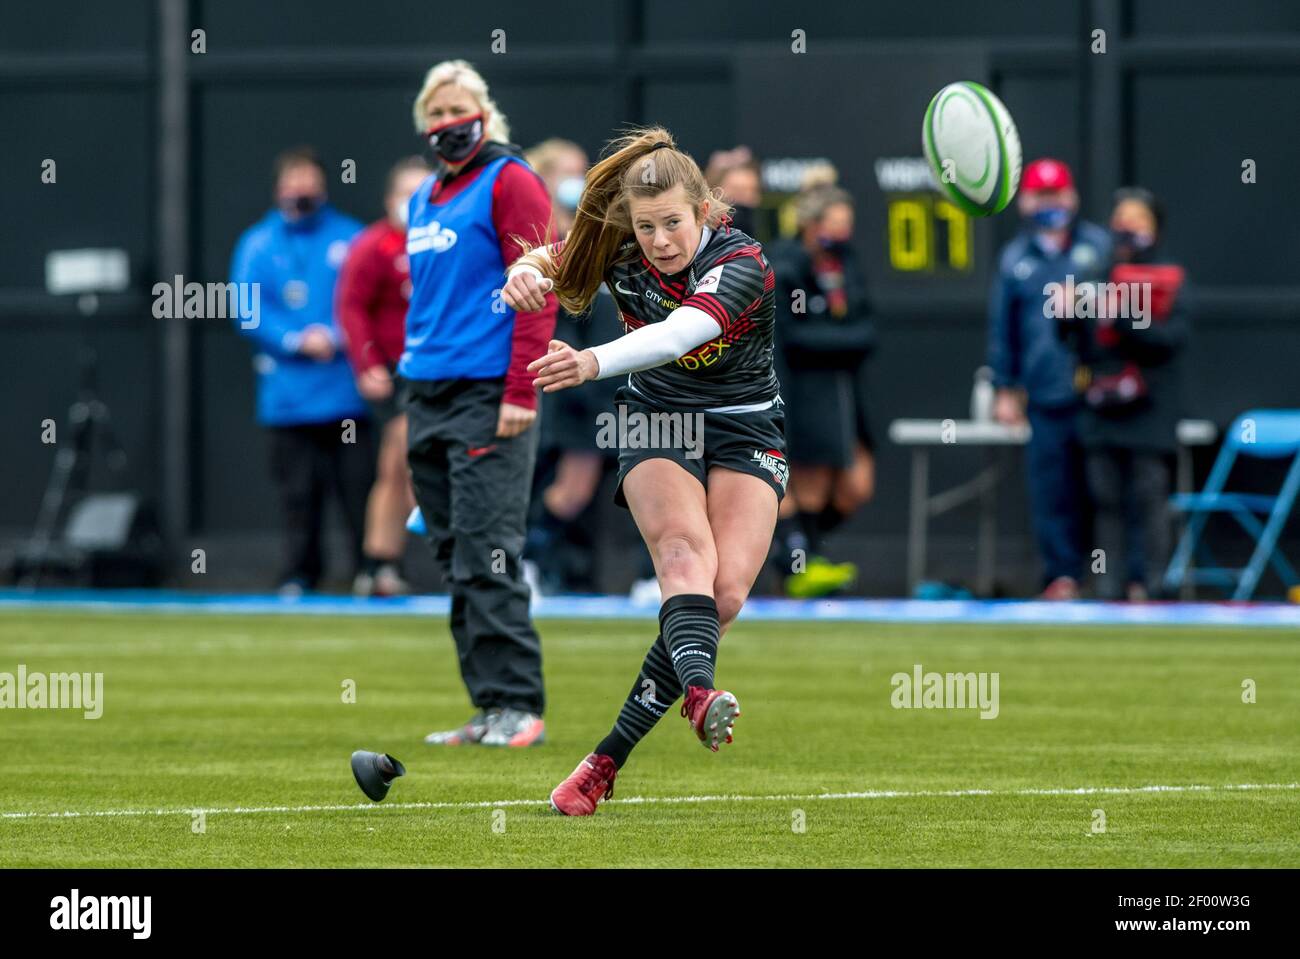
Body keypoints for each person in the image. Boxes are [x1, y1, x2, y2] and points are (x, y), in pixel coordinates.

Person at [503, 126, 785, 816]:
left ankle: (604, 759)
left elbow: (679, 333)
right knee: (683, 557)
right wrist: (526, 273)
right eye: (646, 225)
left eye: (672, 223)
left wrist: (592, 360)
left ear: (705, 211)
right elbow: (549, 259)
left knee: (722, 599)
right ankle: (698, 693)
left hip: (747, 421)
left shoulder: (743, 261)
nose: (660, 239)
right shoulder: (621, 245)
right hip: (657, 417)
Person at [402, 60, 556, 748]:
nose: (446, 122)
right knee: (453, 555)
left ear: (485, 113)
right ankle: (488, 704)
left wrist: (522, 387)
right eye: (434, 113)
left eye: (457, 108)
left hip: (490, 390)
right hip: (426, 391)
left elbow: (539, 281)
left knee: (489, 552)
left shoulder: (510, 178)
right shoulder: (425, 196)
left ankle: (519, 704)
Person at [230, 146, 371, 596]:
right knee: (298, 495)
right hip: (288, 399)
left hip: (347, 393)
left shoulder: (351, 238)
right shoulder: (257, 243)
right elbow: (249, 310)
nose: (301, 190)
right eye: (293, 181)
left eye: (309, 181)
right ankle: (299, 574)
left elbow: (367, 299)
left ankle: (368, 571)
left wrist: (338, 335)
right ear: (278, 188)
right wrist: (295, 340)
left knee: (358, 491)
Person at [987, 158, 1111, 600]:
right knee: (1051, 486)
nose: (1050, 203)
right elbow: (1004, 330)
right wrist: (1005, 388)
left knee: (1102, 485)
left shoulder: (1099, 247)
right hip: (1045, 391)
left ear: (1072, 196)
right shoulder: (1016, 258)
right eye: (1041, 195)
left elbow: (1127, 310)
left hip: (1100, 393)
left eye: (1056, 194)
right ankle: (1063, 575)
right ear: (1025, 201)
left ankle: (1108, 573)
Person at [519, 139, 627, 595]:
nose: (581, 181)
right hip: (568, 387)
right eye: (570, 172)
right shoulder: (537, 247)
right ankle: (524, 560)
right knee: (568, 487)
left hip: (610, 383)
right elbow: (550, 322)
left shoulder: (603, 239)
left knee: (602, 486)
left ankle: (559, 568)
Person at [1076, 187, 1188, 600]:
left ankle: (1152, 582)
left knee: (1148, 495)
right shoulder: (1094, 274)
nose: (1128, 228)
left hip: (1149, 407)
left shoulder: (1170, 276)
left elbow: (1171, 338)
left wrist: (1124, 318)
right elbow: (1074, 337)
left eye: (1138, 219)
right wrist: (1072, 311)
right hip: (1102, 404)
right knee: (1103, 496)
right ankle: (1107, 584)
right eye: (1122, 218)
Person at [767, 184, 876, 597]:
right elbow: (792, 335)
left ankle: (802, 555)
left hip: (842, 390)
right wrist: (841, 338)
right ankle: (799, 565)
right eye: (835, 226)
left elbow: (868, 331)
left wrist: (833, 337)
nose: (842, 236)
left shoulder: (846, 263)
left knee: (854, 484)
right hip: (798, 388)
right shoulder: (786, 264)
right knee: (805, 480)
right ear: (811, 224)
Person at [335, 156, 429, 596]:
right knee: (399, 457)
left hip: (437, 368)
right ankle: (381, 561)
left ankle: (380, 561)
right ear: (389, 199)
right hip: (395, 373)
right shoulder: (375, 246)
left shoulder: (442, 244)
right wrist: (366, 362)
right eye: (405, 194)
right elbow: (351, 307)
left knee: (395, 465)